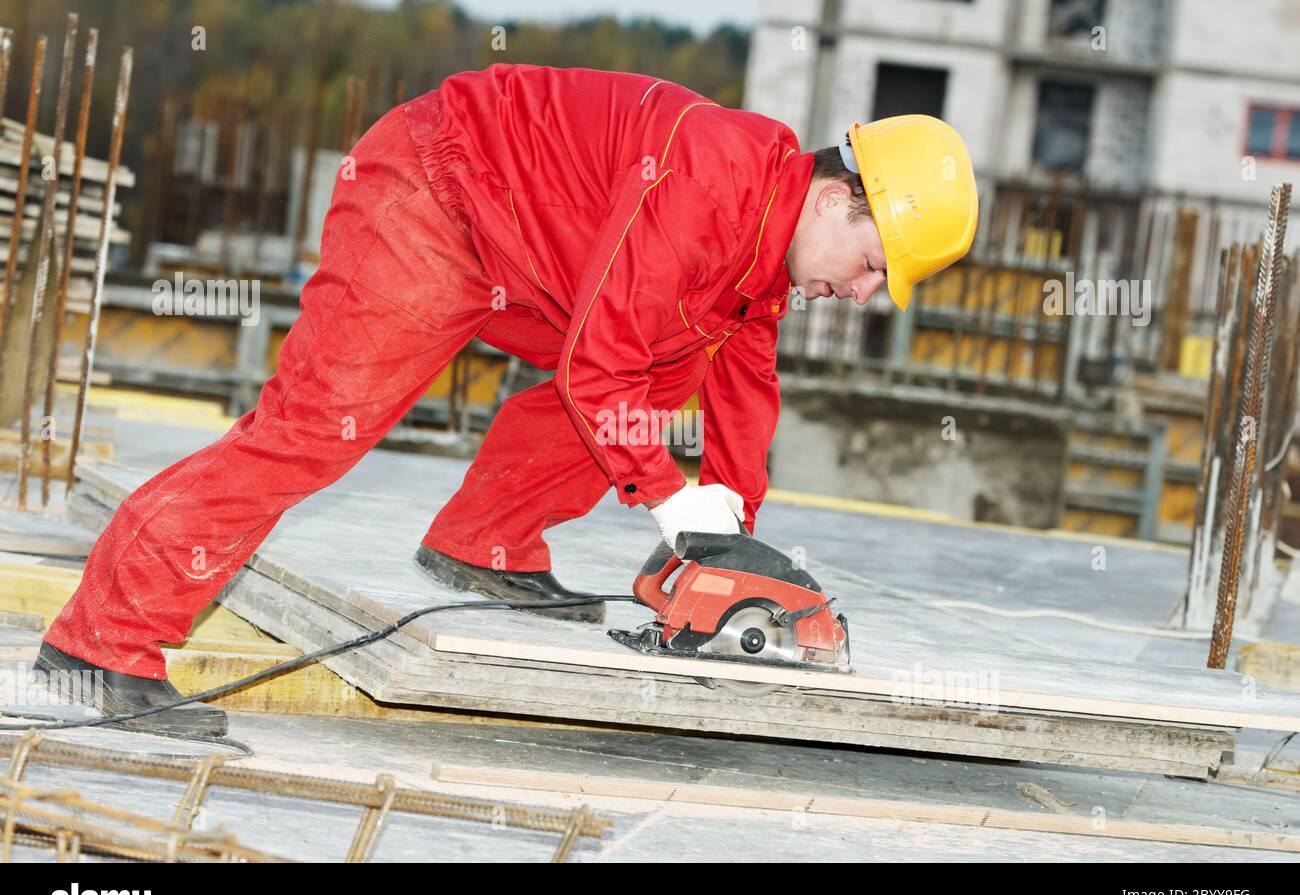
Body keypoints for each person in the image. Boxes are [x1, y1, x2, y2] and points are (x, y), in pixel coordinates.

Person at [36, 64, 978, 736]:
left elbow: (746, 387)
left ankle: (484, 538)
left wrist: (733, 541)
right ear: (835, 199)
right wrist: (667, 499)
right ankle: (101, 644)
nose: (860, 295)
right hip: (434, 189)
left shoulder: (767, 243)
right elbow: (597, 369)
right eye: (870, 267)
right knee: (317, 429)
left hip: (526, 257)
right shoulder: (712, 174)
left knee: (681, 360)